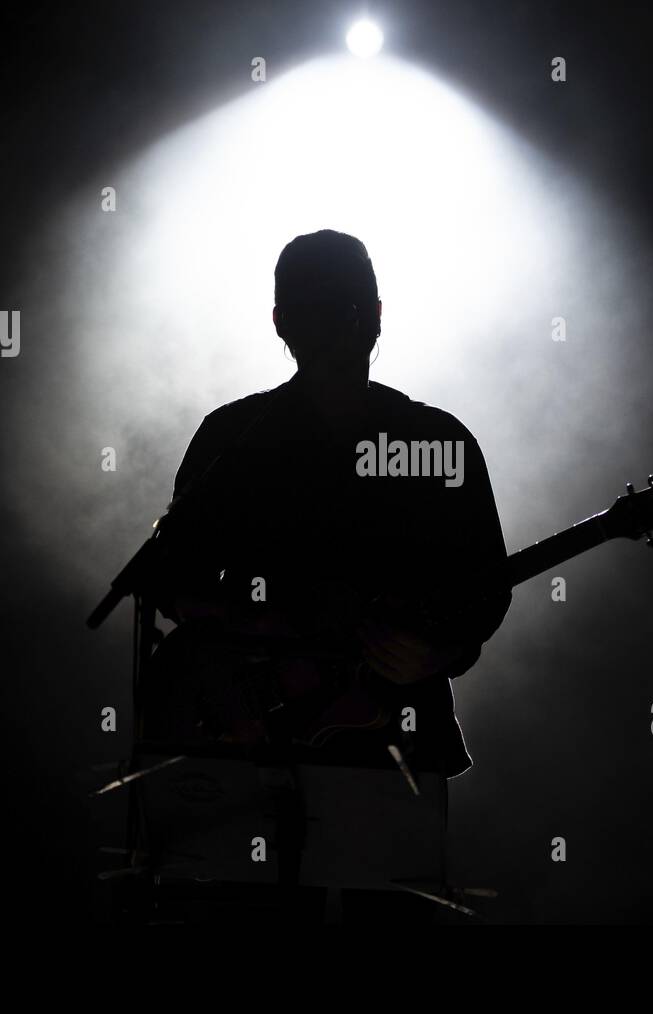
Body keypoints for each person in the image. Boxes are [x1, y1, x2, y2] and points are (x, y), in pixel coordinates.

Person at [147, 229, 512, 781]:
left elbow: (484, 587)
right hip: (247, 746)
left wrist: (441, 653)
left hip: (399, 742)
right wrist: (269, 630)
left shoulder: (436, 442)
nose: (343, 322)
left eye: (352, 306)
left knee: (384, 866)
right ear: (282, 322)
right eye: (317, 307)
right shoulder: (234, 436)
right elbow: (171, 579)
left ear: (378, 314)